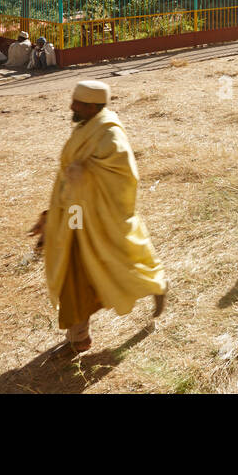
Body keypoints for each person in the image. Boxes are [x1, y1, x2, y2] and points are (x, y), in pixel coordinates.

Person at [34, 80, 167, 355]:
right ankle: (78, 334)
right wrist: (50, 215)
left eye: (78, 103)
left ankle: (155, 284)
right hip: (74, 216)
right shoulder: (86, 127)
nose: (72, 106)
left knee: (109, 267)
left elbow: (125, 177)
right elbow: (66, 178)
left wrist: (88, 171)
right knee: (74, 274)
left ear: (94, 106)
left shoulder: (110, 134)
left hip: (97, 220)